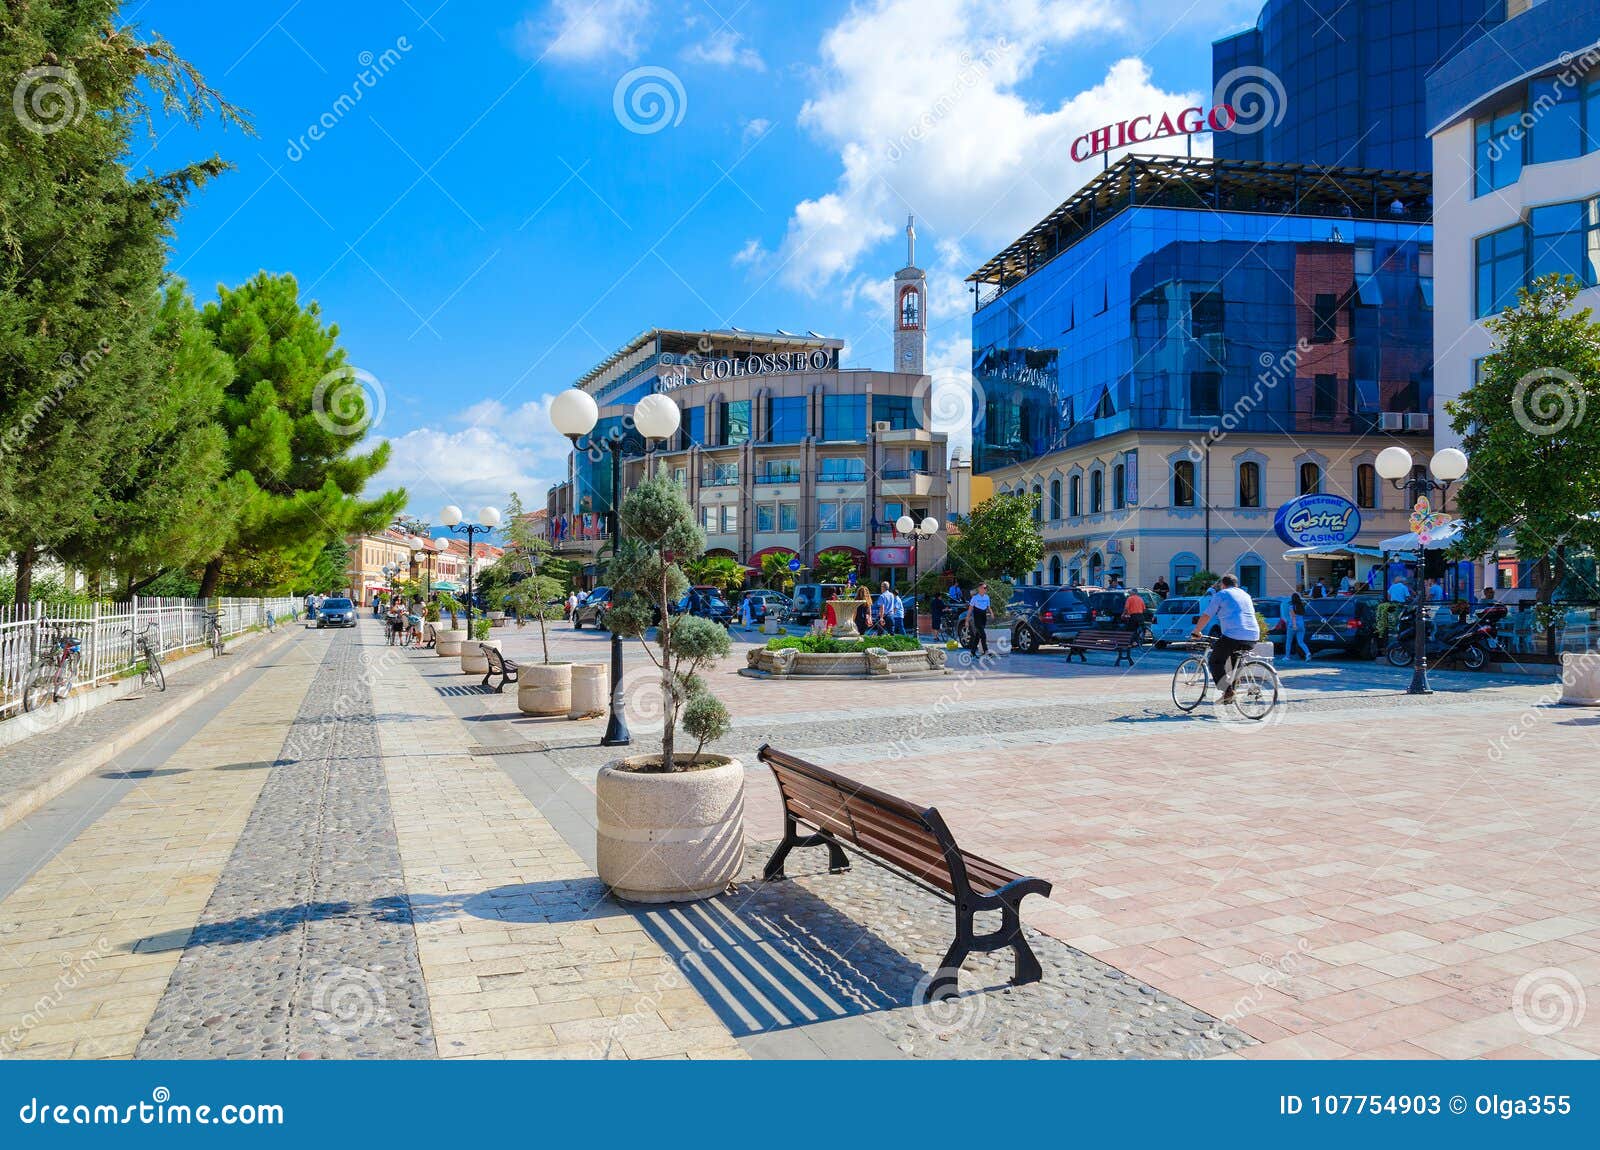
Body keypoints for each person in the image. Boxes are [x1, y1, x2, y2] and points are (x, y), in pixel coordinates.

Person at [1191, 574, 1259, 703]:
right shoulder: (1246, 595)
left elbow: (1207, 615)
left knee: (1215, 661)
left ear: (1223, 585)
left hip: (1233, 635)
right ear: (1236, 584)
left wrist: (1196, 631)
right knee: (1235, 661)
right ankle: (1232, 691)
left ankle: (1227, 691)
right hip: (1253, 635)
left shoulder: (1221, 594)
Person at [965, 582, 991, 656]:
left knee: (978, 635)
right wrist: (966, 621)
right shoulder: (975, 598)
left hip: (983, 618)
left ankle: (972, 652)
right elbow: (970, 610)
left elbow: (988, 607)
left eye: (986, 588)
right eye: (984, 588)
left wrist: (991, 613)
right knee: (983, 635)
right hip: (977, 618)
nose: (985, 589)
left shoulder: (987, 597)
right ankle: (986, 651)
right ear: (979, 589)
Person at [1285, 589, 1311, 661]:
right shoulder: (1302, 607)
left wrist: (1294, 626)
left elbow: (1293, 616)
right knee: (1301, 642)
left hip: (1293, 625)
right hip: (1301, 625)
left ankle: (1287, 657)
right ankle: (1308, 653)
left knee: (1289, 641)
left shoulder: (1291, 607)